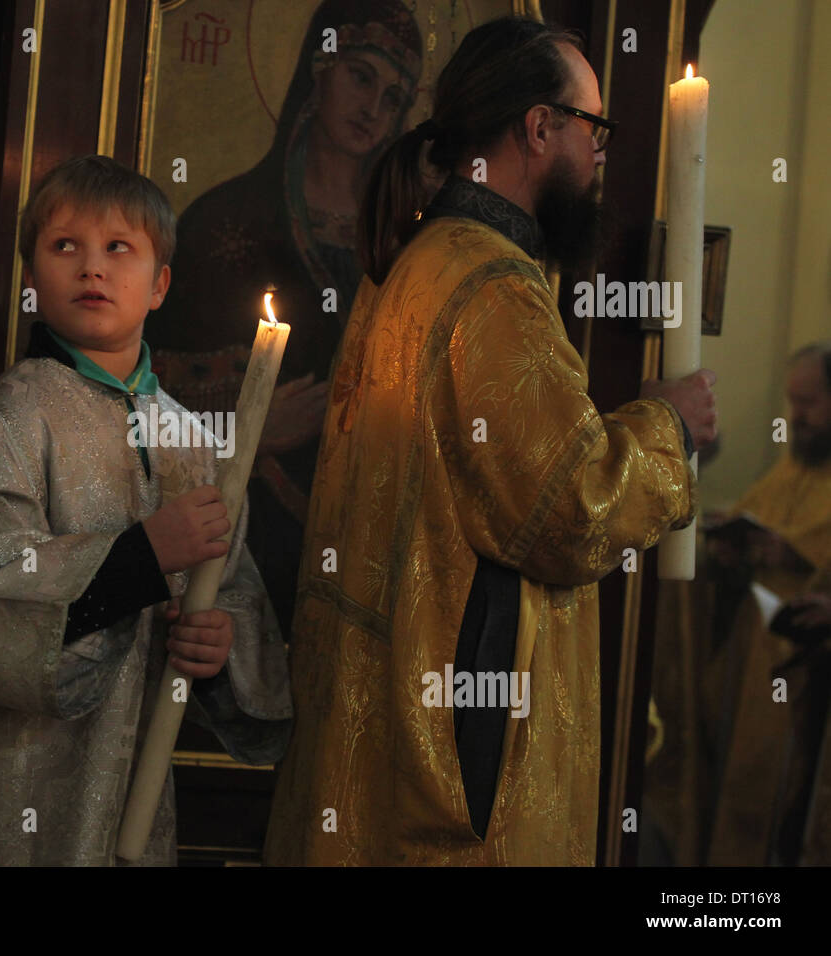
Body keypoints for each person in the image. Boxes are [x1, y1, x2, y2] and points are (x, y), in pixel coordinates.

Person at [262, 16, 717, 865]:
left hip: (380, 741)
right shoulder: (495, 286)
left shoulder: (414, 257)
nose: (602, 153)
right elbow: (567, 508)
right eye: (594, 127)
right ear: (539, 127)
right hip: (457, 778)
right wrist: (669, 428)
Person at [0, 155, 292, 865]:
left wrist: (218, 650)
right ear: (32, 280)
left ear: (159, 284)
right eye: (65, 247)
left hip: (135, 785)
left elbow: (236, 598)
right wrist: (139, 559)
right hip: (17, 772)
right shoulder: (10, 414)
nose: (92, 268)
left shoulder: (195, 442)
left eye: (118, 248)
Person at [147, 0, 423, 635]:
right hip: (247, 523)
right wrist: (250, 432)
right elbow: (150, 395)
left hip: (372, 525)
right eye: (361, 76)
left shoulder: (406, 241)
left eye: (394, 96)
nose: (374, 109)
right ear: (319, 68)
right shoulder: (224, 223)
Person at [701, 342, 831, 864]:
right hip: (753, 666)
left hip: (805, 679)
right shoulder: (790, 468)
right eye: (791, 400)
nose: (795, 416)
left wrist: (793, 550)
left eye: (809, 402)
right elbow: (753, 517)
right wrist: (729, 546)